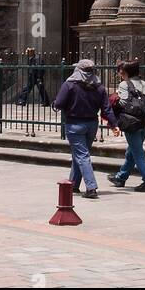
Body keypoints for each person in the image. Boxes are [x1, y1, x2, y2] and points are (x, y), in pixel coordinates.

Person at [52, 58, 119, 199]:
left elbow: (58, 103)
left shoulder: (69, 85)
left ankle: (91, 187)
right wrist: (114, 124)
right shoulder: (99, 87)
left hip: (74, 124)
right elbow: (106, 109)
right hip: (91, 124)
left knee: (82, 155)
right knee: (81, 154)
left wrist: (56, 105)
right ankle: (73, 184)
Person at [107, 58, 145, 193]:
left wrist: (114, 98)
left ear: (126, 72)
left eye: (121, 72)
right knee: (132, 150)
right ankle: (121, 177)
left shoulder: (124, 85)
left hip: (132, 122)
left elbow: (123, 103)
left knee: (137, 152)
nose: (119, 74)